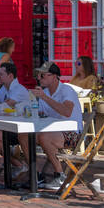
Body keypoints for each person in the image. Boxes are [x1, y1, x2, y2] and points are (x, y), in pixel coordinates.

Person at [29, 62, 84, 190]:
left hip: (72, 133)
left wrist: (44, 97)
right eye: (38, 75)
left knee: (44, 137)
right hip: (52, 131)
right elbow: (39, 113)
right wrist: (31, 102)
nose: (39, 78)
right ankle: (36, 175)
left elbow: (66, 111)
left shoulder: (66, 90)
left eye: (42, 75)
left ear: (54, 76)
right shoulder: (45, 92)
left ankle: (60, 176)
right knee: (25, 136)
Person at [0, 62, 30, 177]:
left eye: (1, 74)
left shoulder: (18, 89)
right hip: (7, 126)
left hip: (21, 130)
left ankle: (18, 164)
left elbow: (5, 105)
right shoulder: (5, 88)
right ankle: (15, 161)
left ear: (10, 76)